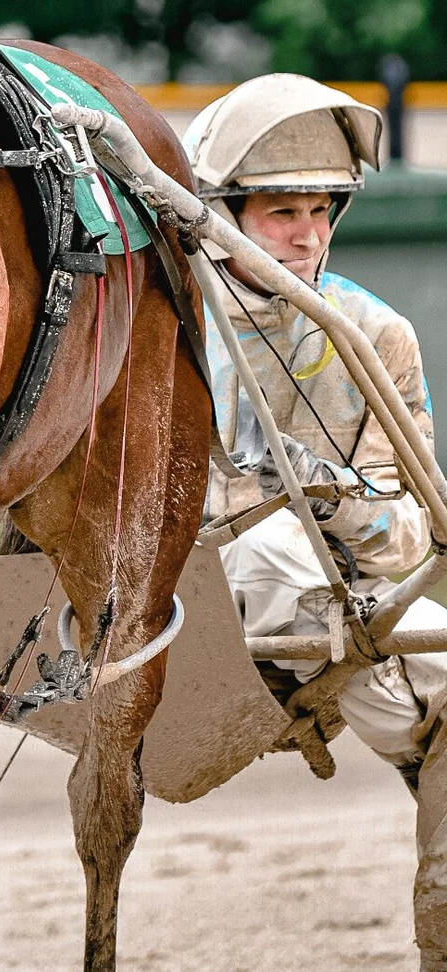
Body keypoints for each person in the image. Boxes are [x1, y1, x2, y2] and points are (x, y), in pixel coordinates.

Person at [184, 73, 447, 969]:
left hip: (340, 610)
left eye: (320, 210)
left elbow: (409, 535)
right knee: (270, 547)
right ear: (223, 213)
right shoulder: (160, 325)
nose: (307, 235)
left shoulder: (380, 335)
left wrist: (324, 491)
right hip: (186, 610)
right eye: (281, 212)